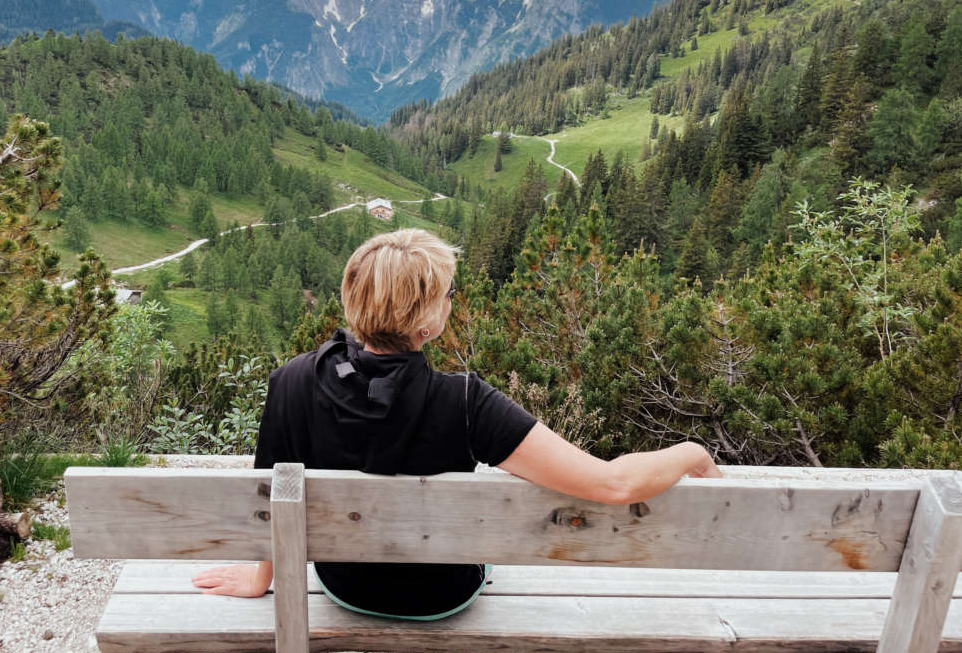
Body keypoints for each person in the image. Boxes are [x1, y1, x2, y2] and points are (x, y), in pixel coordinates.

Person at [192, 228, 721, 618]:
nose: (452, 301)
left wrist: (261, 578)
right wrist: (692, 452)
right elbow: (614, 484)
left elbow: (266, 502)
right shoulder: (467, 402)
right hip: (443, 593)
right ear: (429, 319)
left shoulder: (290, 380)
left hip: (344, 585)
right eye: (447, 294)